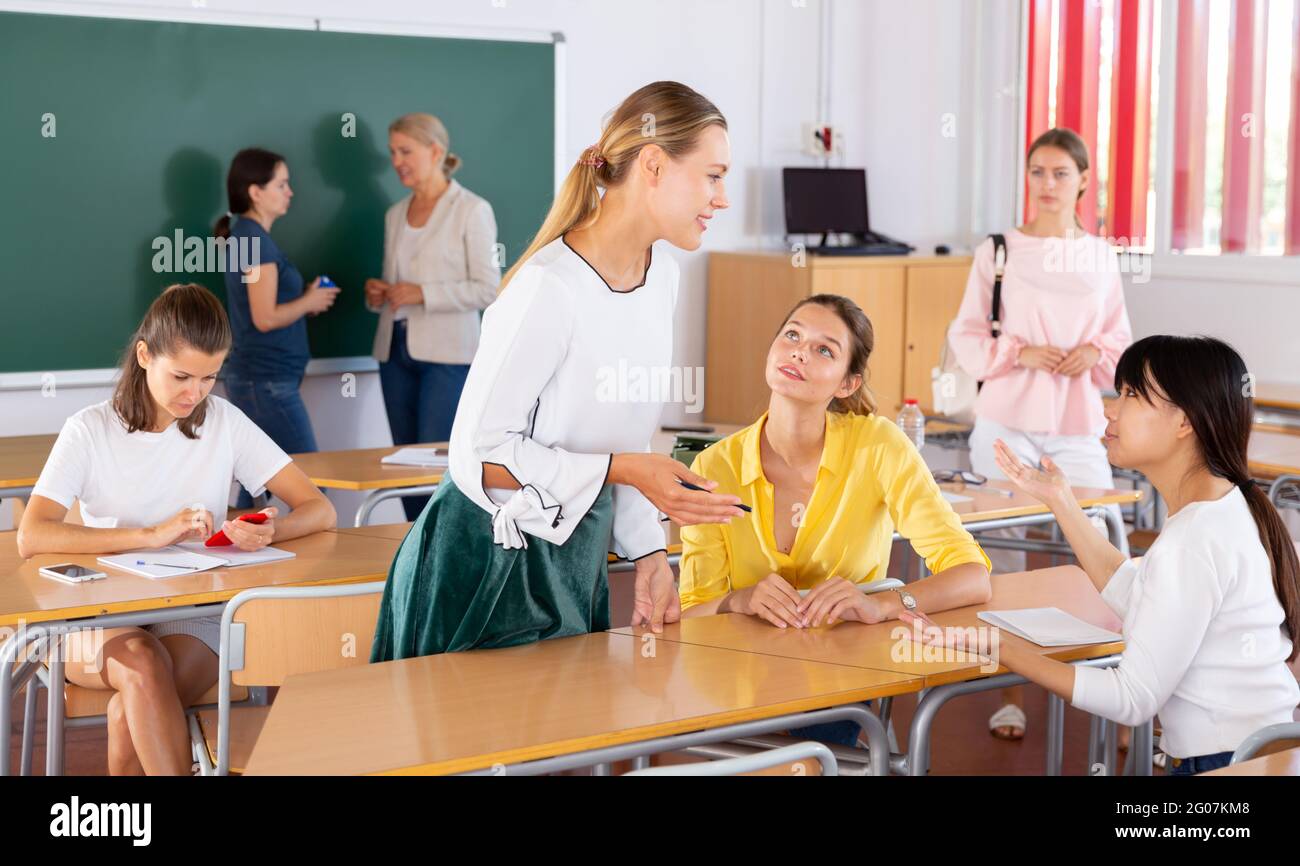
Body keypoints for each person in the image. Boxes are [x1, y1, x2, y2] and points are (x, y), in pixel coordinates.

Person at [371, 81, 741, 661]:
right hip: (484, 564)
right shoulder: (549, 286)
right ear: (652, 164)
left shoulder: (663, 277)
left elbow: (628, 440)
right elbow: (481, 457)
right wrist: (629, 470)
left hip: (574, 553)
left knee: (566, 745)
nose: (722, 199)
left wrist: (648, 554)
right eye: (713, 176)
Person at [905, 335, 1300, 775]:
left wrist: (1002, 649)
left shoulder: (1191, 539)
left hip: (1224, 763)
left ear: (1185, 422)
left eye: (1132, 394)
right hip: (1263, 753)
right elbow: (1142, 597)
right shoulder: (1227, 506)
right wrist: (1062, 501)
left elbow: (1132, 698)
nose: (1110, 408)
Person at [17, 284, 336, 775]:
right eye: (182, 375)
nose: (195, 393)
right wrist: (150, 535)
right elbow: (33, 534)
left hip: (193, 609)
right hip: (95, 616)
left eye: (210, 377)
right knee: (143, 663)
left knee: (132, 710)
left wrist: (267, 533)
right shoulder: (90, 429)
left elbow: (319, 509)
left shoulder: (225, 421)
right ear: (145, 355)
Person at [679, 294, 992, 747]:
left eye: (824, 349)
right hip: (739, 679)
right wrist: (738, 601)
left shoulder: (879, 445)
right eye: (792, 335)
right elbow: (692, 612)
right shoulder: (714, 467)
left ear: (848, 384)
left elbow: (973, 578)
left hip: (838, 679)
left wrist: (882, 605)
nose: (799, 351)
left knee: (809, 760)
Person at [948, 127, 1132, 740]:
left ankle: (1131, 680)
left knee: (1105, 541)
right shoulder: (996, 250)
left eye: (1060, 173)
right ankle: (1010, 693)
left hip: (1078, 424)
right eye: (1037, 172)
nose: (1047, 184)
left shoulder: (1102, 256)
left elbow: (1118, 341)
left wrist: (1092, 353)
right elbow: (967, 334)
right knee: (997, 556)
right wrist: (1019, 354)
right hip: (1007, 420)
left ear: (1083, 181)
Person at [365, 114, 500, 519]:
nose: (397, 161)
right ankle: (413, 552)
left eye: (405, 151)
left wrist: (423, 294)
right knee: (401, 468)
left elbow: (488, 287)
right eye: (392, 153)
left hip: (447, 357)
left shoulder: (472, 210)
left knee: (435, 466)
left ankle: (441, 555)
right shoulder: (394, 213)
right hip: (395, 350)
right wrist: (379, 294)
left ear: (436, 152)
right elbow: (397, 286)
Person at [215, 148, 341, 507]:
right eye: (282, 184)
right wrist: (310, 302)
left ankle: (237, 551)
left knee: (255, 487)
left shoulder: (246, 237)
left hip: (259, 379)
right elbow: (264, 317)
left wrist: (304, 299)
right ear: (256, 192)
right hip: (265, 382)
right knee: (311, 487)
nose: (290, 192)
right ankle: (303, 560)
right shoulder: (254, 241)